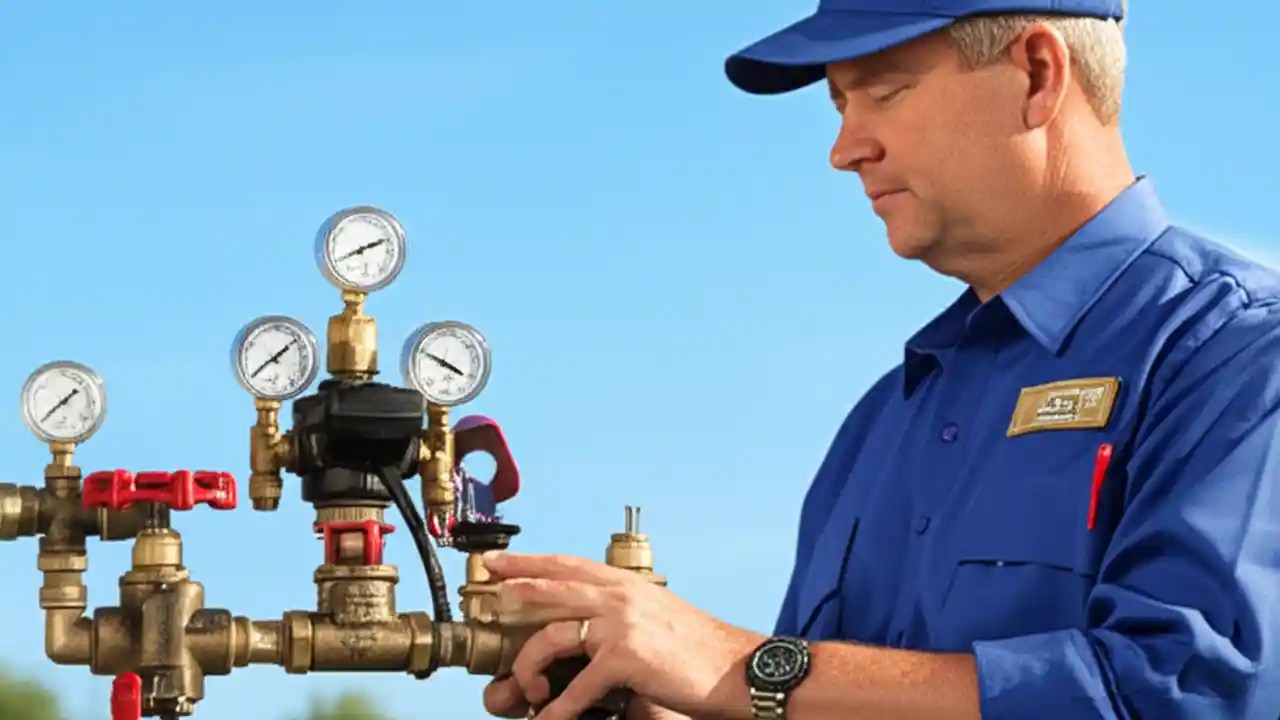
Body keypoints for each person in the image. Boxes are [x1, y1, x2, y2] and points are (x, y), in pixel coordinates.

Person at [480, 0, 1280, 717]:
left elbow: (1179, 694)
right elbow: (797, 698)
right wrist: (658, 698)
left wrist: (733, 667)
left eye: (886, 91)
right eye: (838, 102)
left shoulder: (1237, 355)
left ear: (1038, 74)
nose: (844, 148)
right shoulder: (884, 417)